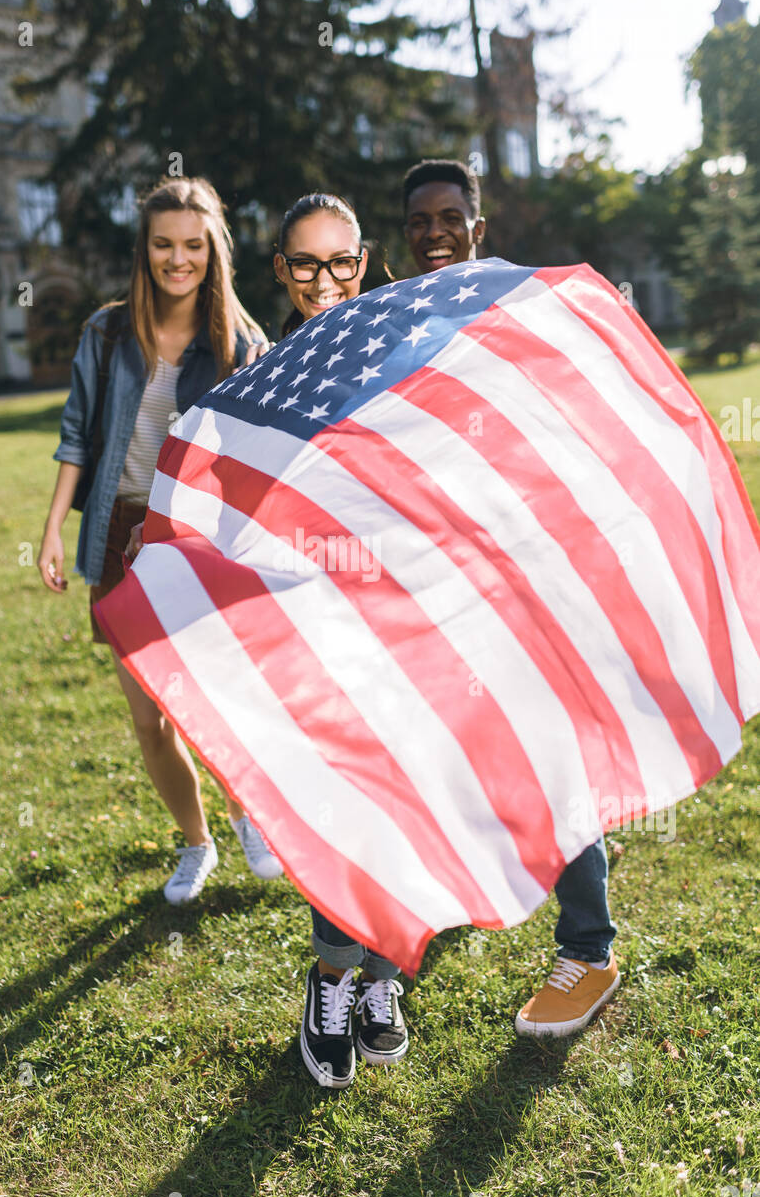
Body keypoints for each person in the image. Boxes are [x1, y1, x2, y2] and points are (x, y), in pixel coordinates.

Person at [403, 158, 620, 1037]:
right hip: (435, 573)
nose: (434, 233)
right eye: (418, 221)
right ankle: (464, 888)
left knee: (549, 751)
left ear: (477, 227)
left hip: (525, 570)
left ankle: (589, 949)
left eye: (448, 216)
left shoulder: (514, 305)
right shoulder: (396, 320)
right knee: (455, 744)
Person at [38, 176, 282, 905]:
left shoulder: (240, 343)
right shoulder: (106, 333)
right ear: (144, 249)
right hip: (119, 533)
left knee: (214, 697)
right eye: (163, 244)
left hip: (194, 537)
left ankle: (246, 813)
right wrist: (52, 530)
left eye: (193, 245)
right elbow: (77, 435)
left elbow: (257, 454)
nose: (179, 259)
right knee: (149, 718)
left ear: (214, 251)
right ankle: (196, 842)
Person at [272, 193, 409, 1088]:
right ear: (281, 269)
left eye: (341, 260)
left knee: (400, 803)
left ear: (363, 259)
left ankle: (382, 976)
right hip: (315, 619)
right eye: (305, 262)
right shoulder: (266, 372)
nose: (324, 279)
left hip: (403, 614)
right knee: (340, 808)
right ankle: (330, 979)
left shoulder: (404, 343)